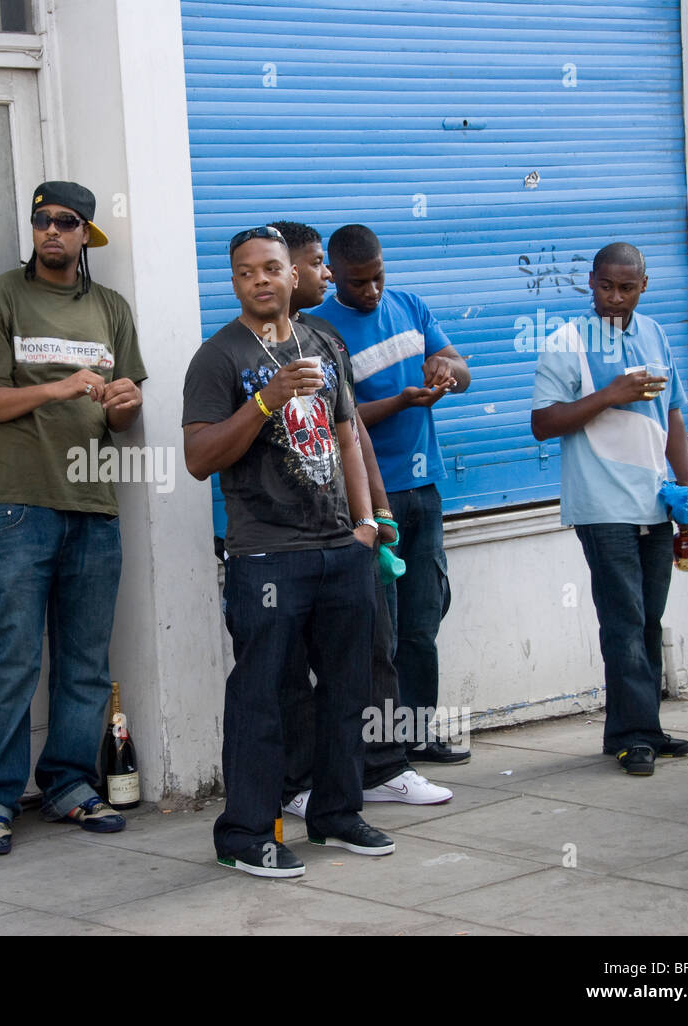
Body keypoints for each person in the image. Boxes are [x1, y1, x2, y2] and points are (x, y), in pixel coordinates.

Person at [184, 224, 394, 879]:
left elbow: (347, 434)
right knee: (263, 698)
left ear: (292, 274)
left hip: (340, 548)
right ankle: (246, 833)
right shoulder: (218, 357)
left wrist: (366, 524)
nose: (261, 280)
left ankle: (336, 813)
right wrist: (264, 401)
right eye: (247, 271)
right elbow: (198, 458)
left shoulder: (322, 341)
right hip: (266, 556)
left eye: (272, 268)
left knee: (348, 690)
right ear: (235, 282)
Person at [0, 181, 146, 854]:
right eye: (42, 220)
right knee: (13, 656)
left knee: (86, 660)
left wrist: (124, 405)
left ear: (86, 234)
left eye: (67, 222)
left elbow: (124, 417)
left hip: (94, 502)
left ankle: (70, 785)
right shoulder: (0, 298)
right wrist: (61, 386)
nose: (52, 231)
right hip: (19, 501)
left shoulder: (110, 307)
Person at [267, 222, 453, 812]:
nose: (329, 275)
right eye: (322, 266)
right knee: (325, 652)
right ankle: (308, 779)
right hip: (300, 531)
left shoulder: (330, 335)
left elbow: (351, 435)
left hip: (383, 509)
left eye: (377, 278)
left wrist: (377, 513)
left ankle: (391, 758)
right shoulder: (250, 348)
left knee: (399, 634)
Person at [531, 242, 688, 776]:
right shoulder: (565, 341)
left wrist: (687, 490)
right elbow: (542, 423)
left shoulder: (655, 334)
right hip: (602, 507)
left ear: (644, 286)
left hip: (656, 502)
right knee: (623, 621)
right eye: (606, 286)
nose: (615, 297)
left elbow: (673, 415)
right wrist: (610, 393)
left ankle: (640, 727)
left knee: (647, 619)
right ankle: (634, 735)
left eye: (627, 288)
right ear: (591, 282)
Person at [310, 225, 472, 763]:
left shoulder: (411, 306)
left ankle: (417, 734)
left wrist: (447, 371)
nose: (372, 291)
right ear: (332, 274)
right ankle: (381, 749)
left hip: (423, 491)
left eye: (378, 277)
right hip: (368, 503)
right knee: (381, 631)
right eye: (358, 282)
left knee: (424, 621)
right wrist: (402, 402)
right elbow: (340, 420)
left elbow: (463, 372)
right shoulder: (320, 329)